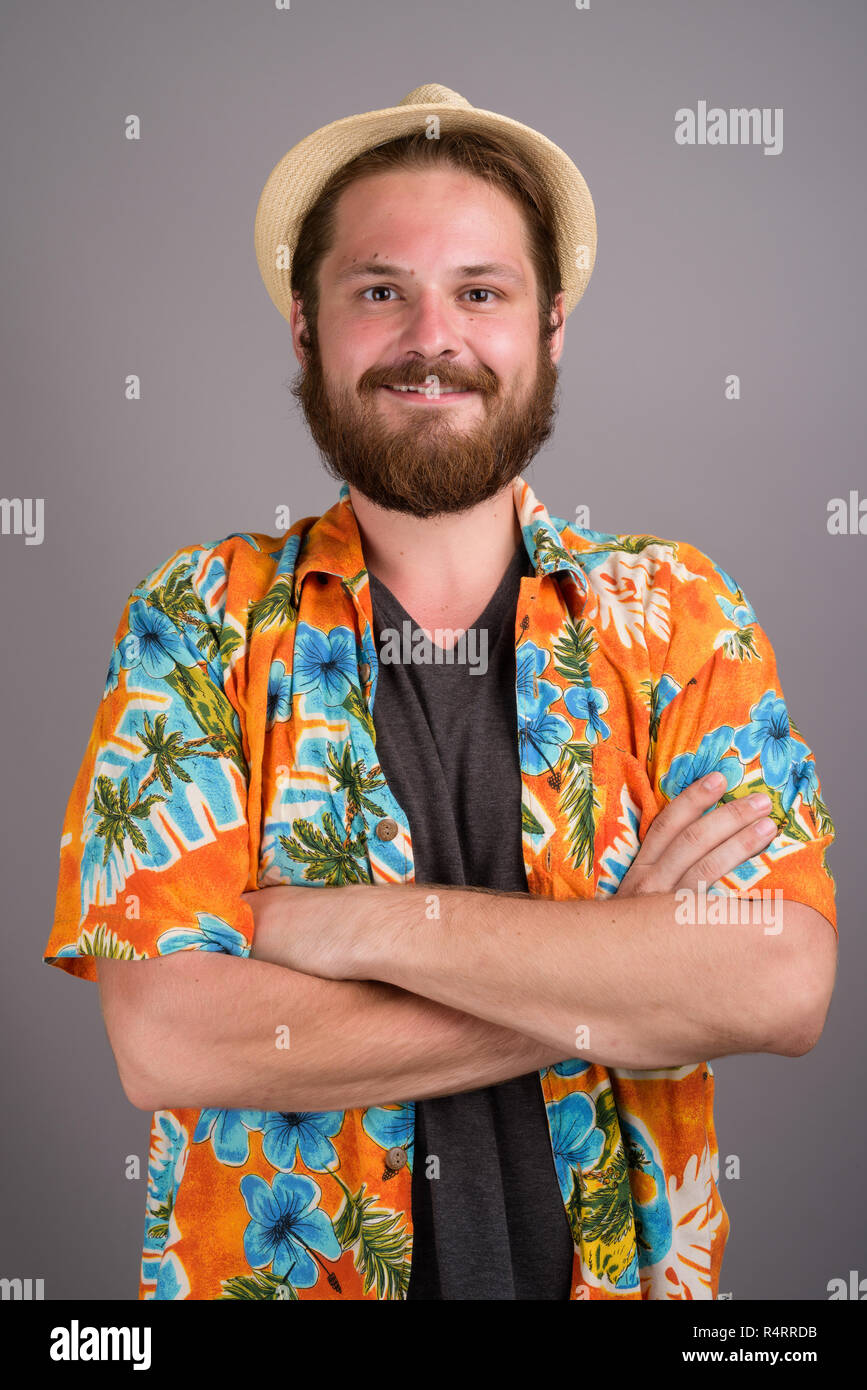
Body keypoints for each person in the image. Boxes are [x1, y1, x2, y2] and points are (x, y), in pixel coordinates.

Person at [44, 84, 838, 1302]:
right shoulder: (195, 622)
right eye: (379, 291)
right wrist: (623, 973)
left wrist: (351, 923)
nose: (432, 338)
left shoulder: (678, 616)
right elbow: (167, 1039)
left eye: (481, 290)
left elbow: (780, 980)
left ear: (550, 326)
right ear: (307, 331)